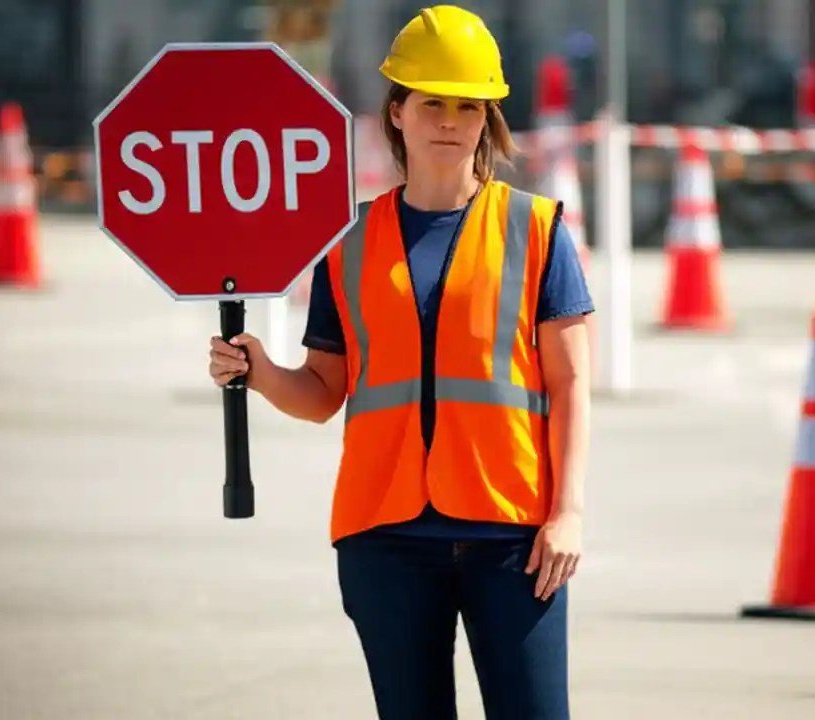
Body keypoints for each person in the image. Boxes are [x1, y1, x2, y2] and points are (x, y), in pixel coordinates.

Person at [207, 6, 592, 719]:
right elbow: (323, 393)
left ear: (487, 119)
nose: (449, 119)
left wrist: (567, 513)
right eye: (432, 102)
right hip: (384, 538)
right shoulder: (347, 242)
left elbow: (570, 385)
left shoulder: (535, 230)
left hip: (513, 539)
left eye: (467, 105)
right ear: (398, 112)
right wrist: (258, 370)